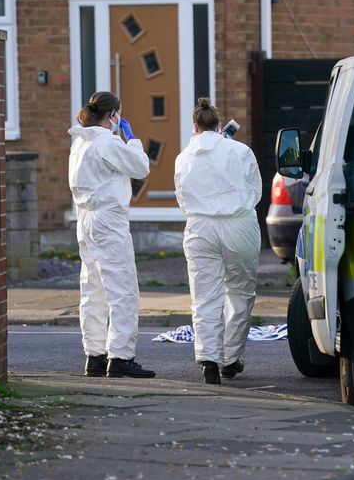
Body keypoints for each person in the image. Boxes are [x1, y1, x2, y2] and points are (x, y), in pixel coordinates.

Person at [174, 98, 262, 385]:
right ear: (220, 124)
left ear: (195, 126)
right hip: (238, 224)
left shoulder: (184, 157)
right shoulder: (241, 151)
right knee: (239, 293)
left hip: (200, 226)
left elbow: (182, 198)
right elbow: (255, 191)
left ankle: (209, 360)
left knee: (205, 296)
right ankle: (230, 357)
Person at [68, 91, 155, 378]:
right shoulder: (106, 141)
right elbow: (141, 167)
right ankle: (121, 356)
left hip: (86, 219)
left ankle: (94, 355)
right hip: (108, 218)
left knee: (93, 289)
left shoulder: (79, 142)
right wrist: (132, 140)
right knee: (122, 289)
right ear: (113, 115)